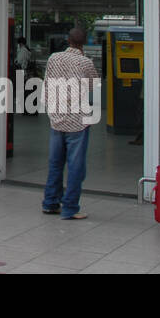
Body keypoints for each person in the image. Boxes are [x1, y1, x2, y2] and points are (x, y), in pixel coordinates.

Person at [41, 27, 99, 220]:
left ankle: (50, 203)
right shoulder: (86, 62)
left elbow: (47, 83)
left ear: (68, 40)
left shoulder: (54, 58)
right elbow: (94, 85)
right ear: (84, 43)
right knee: (76, 166)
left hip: (57, 118)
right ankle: (70, 208)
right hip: (78, 121)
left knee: (55, 163)